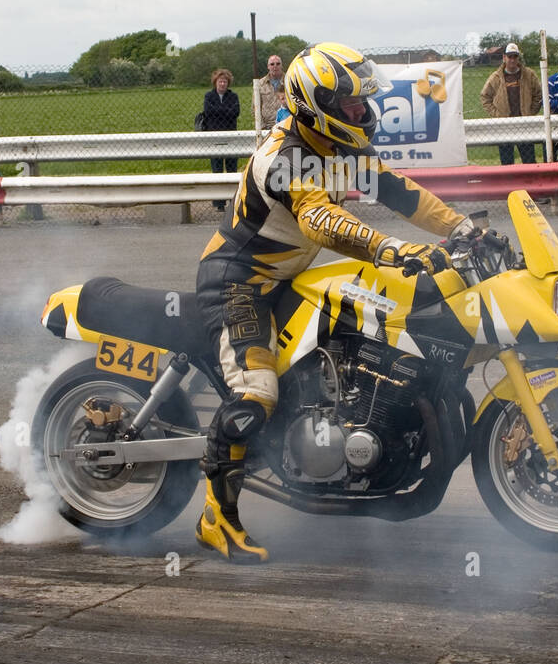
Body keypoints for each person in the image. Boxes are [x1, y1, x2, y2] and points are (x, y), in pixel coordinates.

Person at [194, 42, 471, 563]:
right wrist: (390, 248)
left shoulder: (341, 146)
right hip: (241, 280)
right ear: (315, 105)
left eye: (362, 104)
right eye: (350, 106)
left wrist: (464, 228)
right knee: (256, 392)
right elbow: (318, 220)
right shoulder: (284, 156)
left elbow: (399, 192)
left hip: (296, 273)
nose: (361, 113)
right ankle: (217, 516)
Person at [480, 42, 542, 165]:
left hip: (524, 124)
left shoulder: (529, 74)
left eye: (515, 56)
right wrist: (497, 114)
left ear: (518, 58)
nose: (512, 60)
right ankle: (509, 184)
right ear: (504, 58)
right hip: (504, 125)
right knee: (507, 162)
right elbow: (484, 97)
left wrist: (530, 112)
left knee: (529, 161)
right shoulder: (496, 77)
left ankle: (531, 183)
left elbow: (539, 94)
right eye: (509, 56)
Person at [201, 67, 240, 210]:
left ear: (228, 83)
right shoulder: (209, 96)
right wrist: (225, 111)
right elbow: (208, 111)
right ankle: (219, 203)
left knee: (231, 169)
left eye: (224, 82)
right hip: (214, 136)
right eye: (220, 82)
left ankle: (232, 201)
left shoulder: (233, 96)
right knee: (217, 169)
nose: (222, 84)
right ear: (215, 82)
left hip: (231, 136)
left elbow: (235, 112)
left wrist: (219, 111)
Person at [257, 53, 284, 132]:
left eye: (278, 64)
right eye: (272, 64)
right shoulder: (260, 84)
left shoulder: (289, 80)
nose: (275, 66)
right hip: (267, 127)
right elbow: (255, 107)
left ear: (281, 65)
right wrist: (262, 127)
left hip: (286, 125)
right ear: (268, 67)